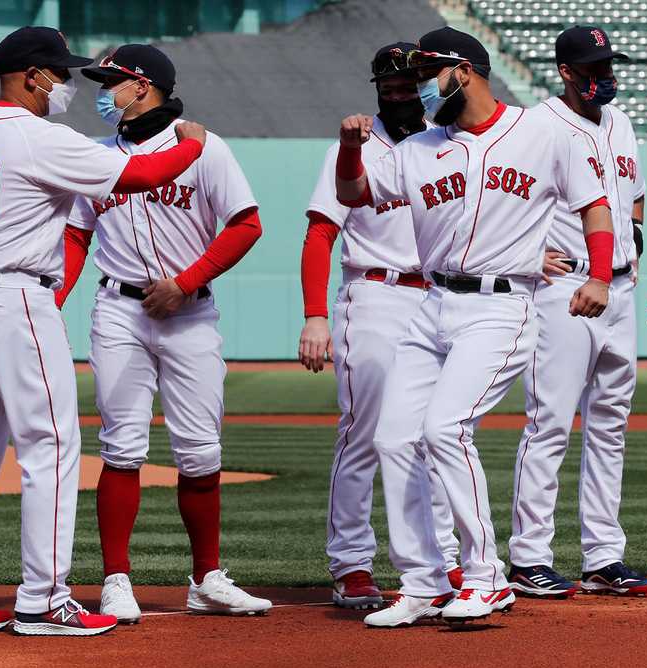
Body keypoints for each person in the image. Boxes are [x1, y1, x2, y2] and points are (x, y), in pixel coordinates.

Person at [0, 27, 206, 636]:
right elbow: (142, 178)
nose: (66, 85)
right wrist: (190, 145)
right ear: (31, 75)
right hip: (16, 297)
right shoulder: (38, 136)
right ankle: (44, 598)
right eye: (59, 73)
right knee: (50, 444)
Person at [336, 27, 613, 627]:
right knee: (392, 438)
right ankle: (423, 582)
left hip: (501, 307)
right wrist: (350, 146)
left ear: (464, 70)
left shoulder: (541, 133)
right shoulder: (418, 149)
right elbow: (354, 193)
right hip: (432, 306)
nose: (419, 84)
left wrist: (600, 275)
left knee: (445, 428)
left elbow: (595, 202)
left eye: (429, 70)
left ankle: (486, 578)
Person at [55, 43, 272, 622]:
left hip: (190, 312)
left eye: (112, 82)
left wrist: (185, 280)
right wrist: (54, 299)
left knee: (201, 452)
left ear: (143, 86)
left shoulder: (203, 147)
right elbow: (76, 236)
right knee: (122, 446)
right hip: (119, 310)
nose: (103, 92)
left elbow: (246, 224)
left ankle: (207, 579)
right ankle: (115, 580)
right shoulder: (97, 156)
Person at [299, 42, 463, 610]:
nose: (397, 96)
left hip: (439, 297)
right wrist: (315, 315)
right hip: (374, 292)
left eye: (407, 85)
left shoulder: (442, 146)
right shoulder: (353, 148)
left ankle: (441, 559)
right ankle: (350, 564)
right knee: (364, 432)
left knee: (435, 434)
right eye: (387, 88)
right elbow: (320, 232)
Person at [507, 25, 647, 599]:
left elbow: (633, 191)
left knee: (611, 427)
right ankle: (528, 557)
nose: (605, 76)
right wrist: (526, 252)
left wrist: (634, 235)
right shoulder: (537, 125)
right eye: (594, 68)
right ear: (566, 71)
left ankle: (603, 556)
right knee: (549, 423)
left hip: (619, 289)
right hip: (564, 291)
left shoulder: (620, 121)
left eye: (609, 65)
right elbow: (505, 195)